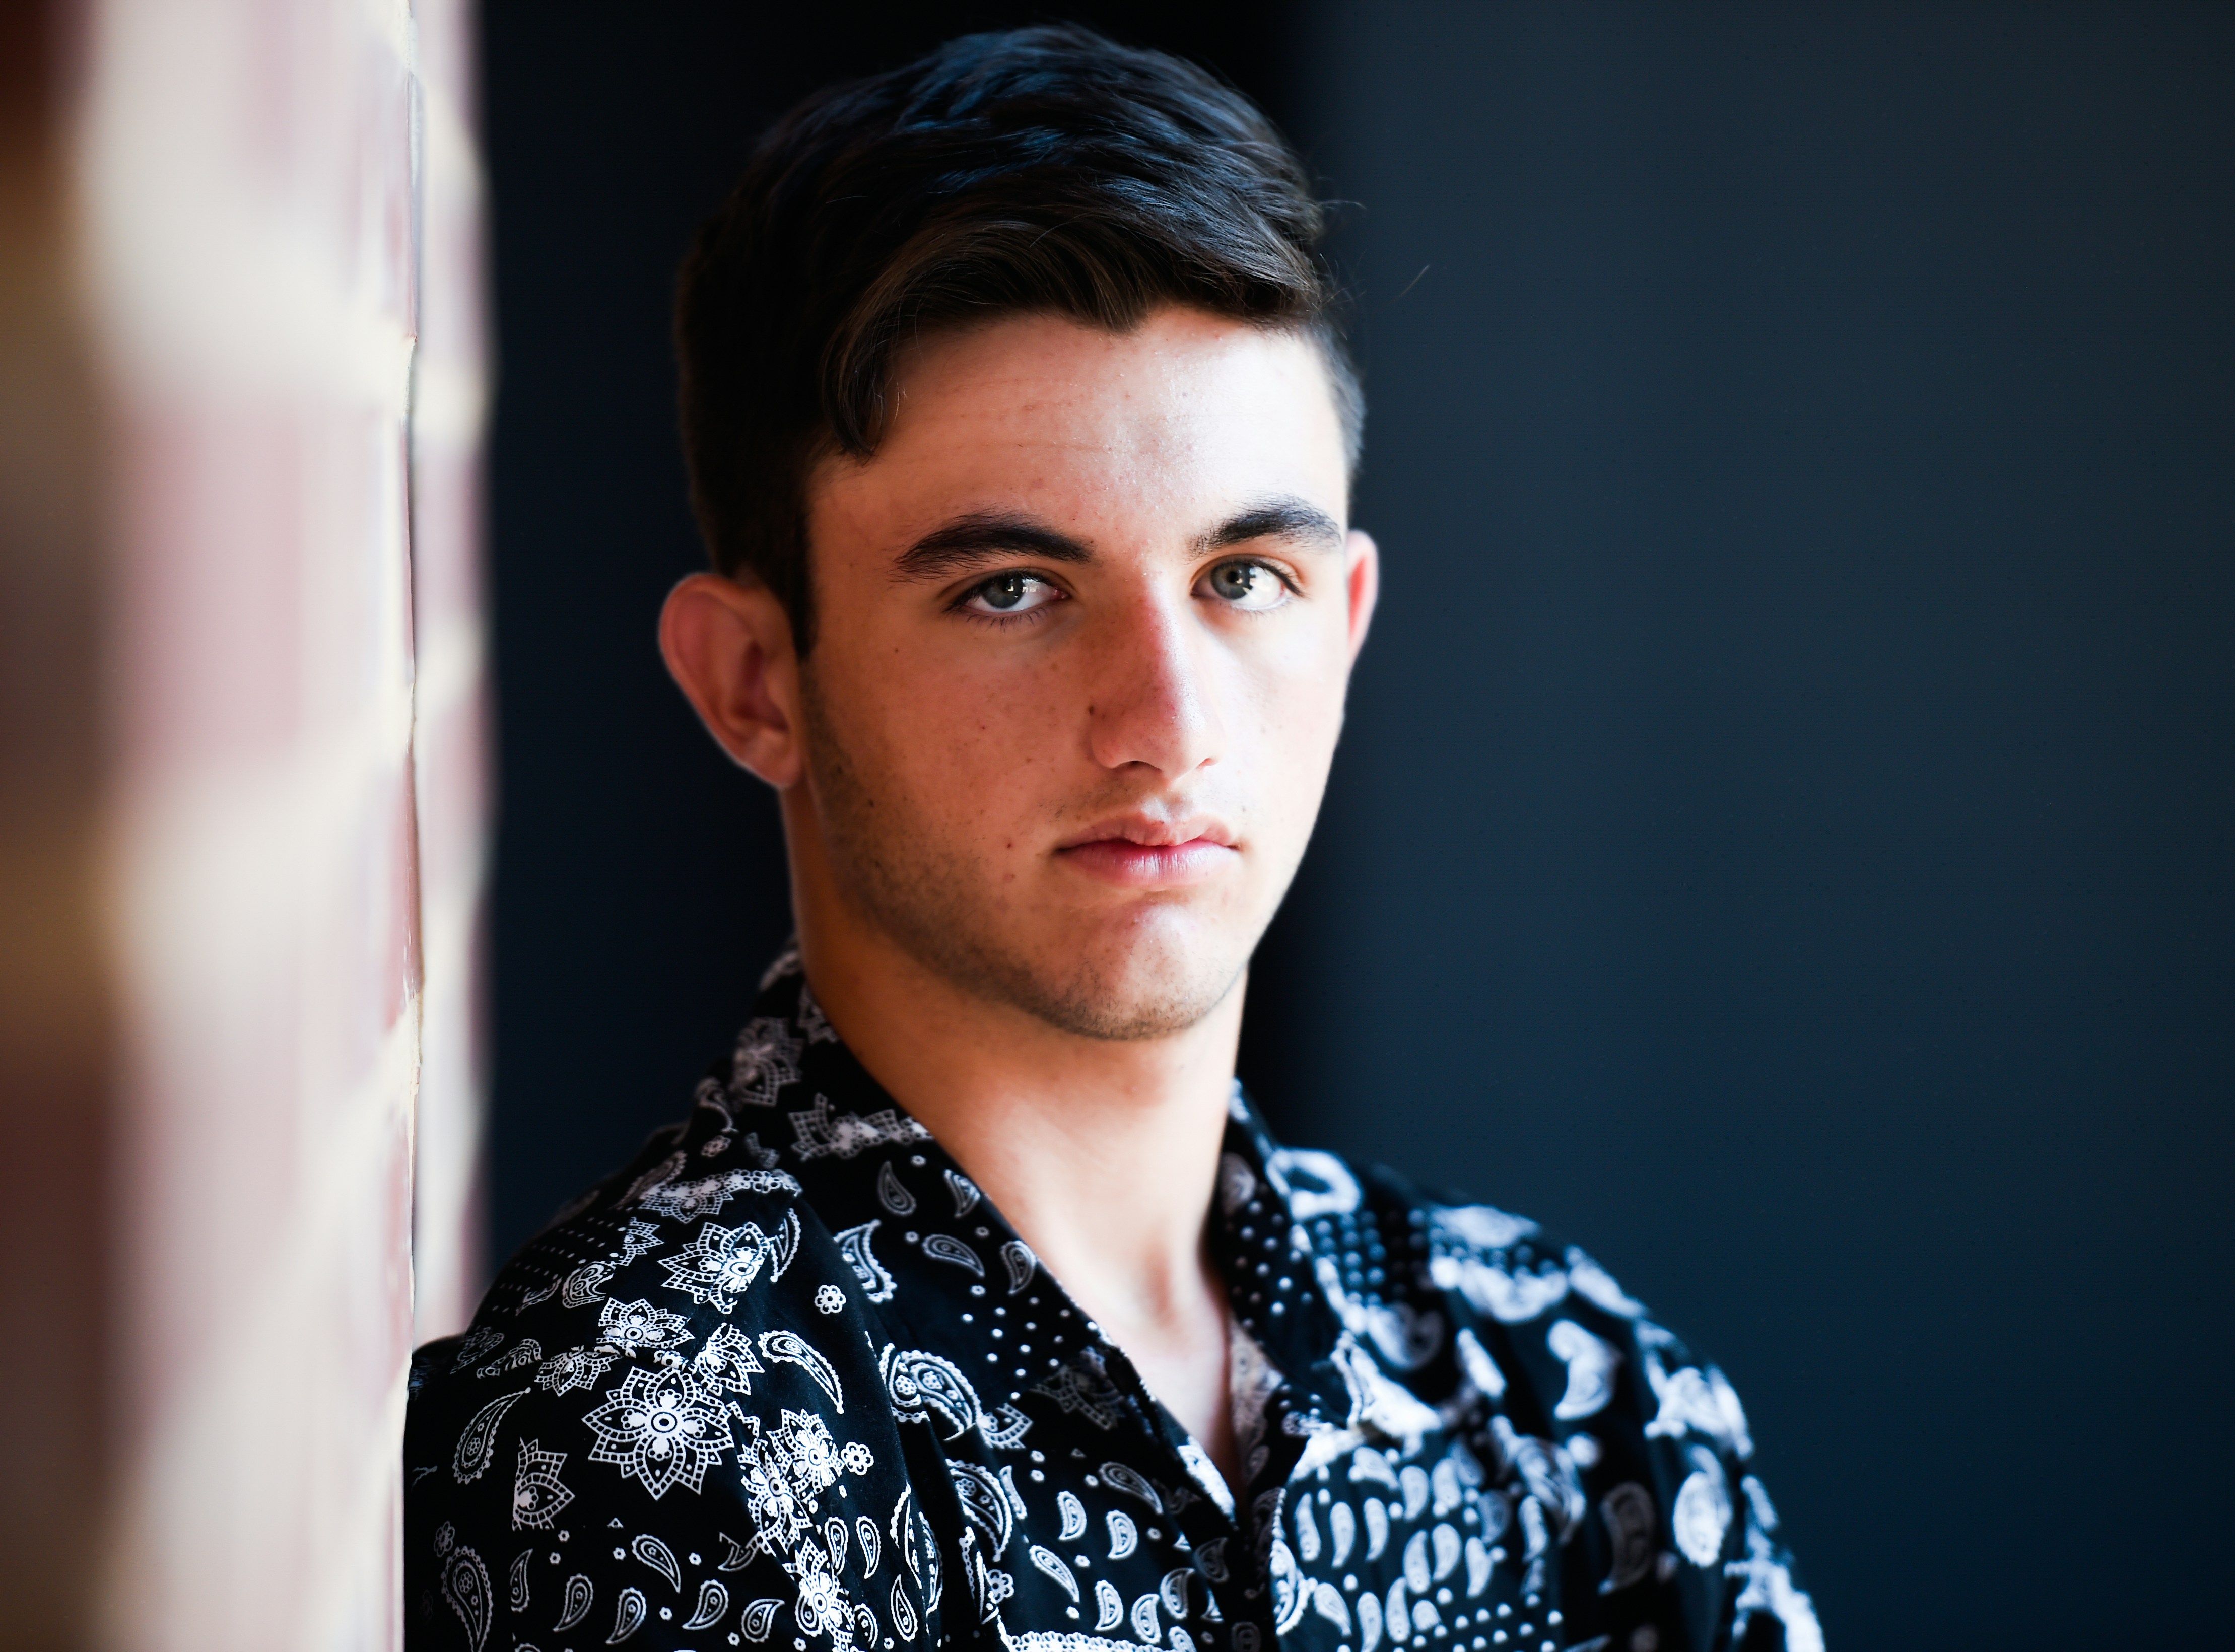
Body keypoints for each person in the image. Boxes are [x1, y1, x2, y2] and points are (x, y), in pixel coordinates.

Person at [404, 26, 1821, 1652]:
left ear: (1346, 623)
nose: (1166, 721)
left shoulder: (1577, 1404)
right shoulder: (634, 1451)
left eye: (1245, 580)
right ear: (755, 683)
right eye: (1012, 590)